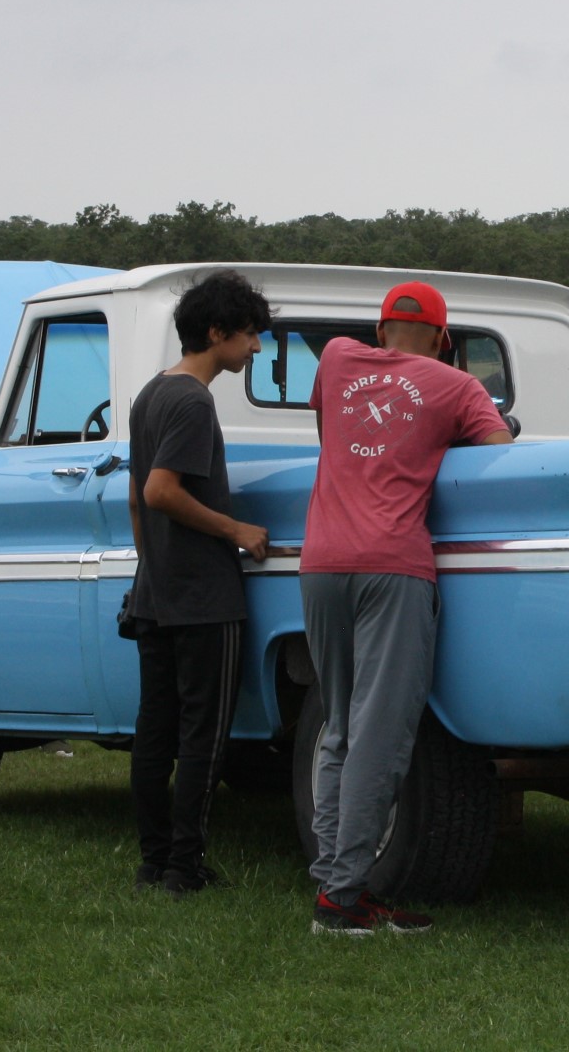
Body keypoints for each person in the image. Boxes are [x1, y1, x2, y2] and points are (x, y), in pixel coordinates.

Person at [301, 281, 513, 936]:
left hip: (320, 562)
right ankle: (343, 901)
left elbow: (328, 430)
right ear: (446, 341)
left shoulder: (336, 359)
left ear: (379, 328)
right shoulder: (456, 387)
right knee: (382, 733)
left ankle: (333, 878)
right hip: (394, 562)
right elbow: (498, 455)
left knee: (337, 725)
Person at [125, 270, 272, 898]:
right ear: (217, 334)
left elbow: (136, 500)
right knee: (203, 737)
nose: (256, 349)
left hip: (157, 594)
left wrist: (151, 569)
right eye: (249, 337)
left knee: (154, 731)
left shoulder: (150, 394)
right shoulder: (192, 400)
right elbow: (162, 491)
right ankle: (186, 867)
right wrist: (235, 528)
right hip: (203, 599)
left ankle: (154, 860)